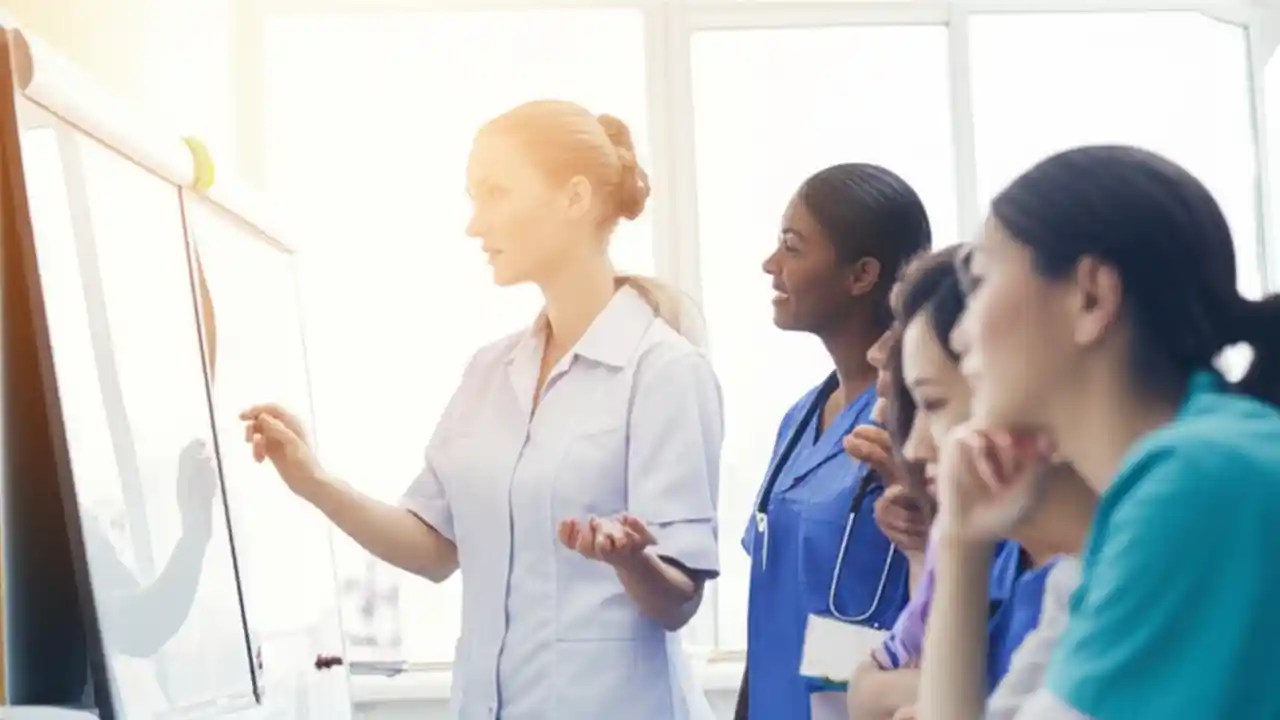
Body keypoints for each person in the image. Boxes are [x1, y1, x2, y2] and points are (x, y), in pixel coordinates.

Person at [240, 100, 723, 719]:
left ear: (574, 198)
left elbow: (679, 599)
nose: (475, 224)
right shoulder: (490, 371)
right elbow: (435, 549)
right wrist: (313, 481)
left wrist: (629, 559)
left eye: (495, 194)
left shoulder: (664, 372)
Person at [918, 145, 1280, 720]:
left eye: (981, 283)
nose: (961, 336)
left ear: (1091, 296)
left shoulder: (1195, 482)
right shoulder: (1159, 498)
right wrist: (961, 542)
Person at [737, 163, 932, 720]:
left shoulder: (915, 422)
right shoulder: (801, 418)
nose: (771, 264)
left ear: (862, 274)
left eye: (793, 247)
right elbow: (771, 608)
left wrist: (931, 510)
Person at [864, 249, 1094, 720]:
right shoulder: (1057, 584)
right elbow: (866, 691)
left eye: (934, 401)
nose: (914, 448)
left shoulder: (1135, 572)